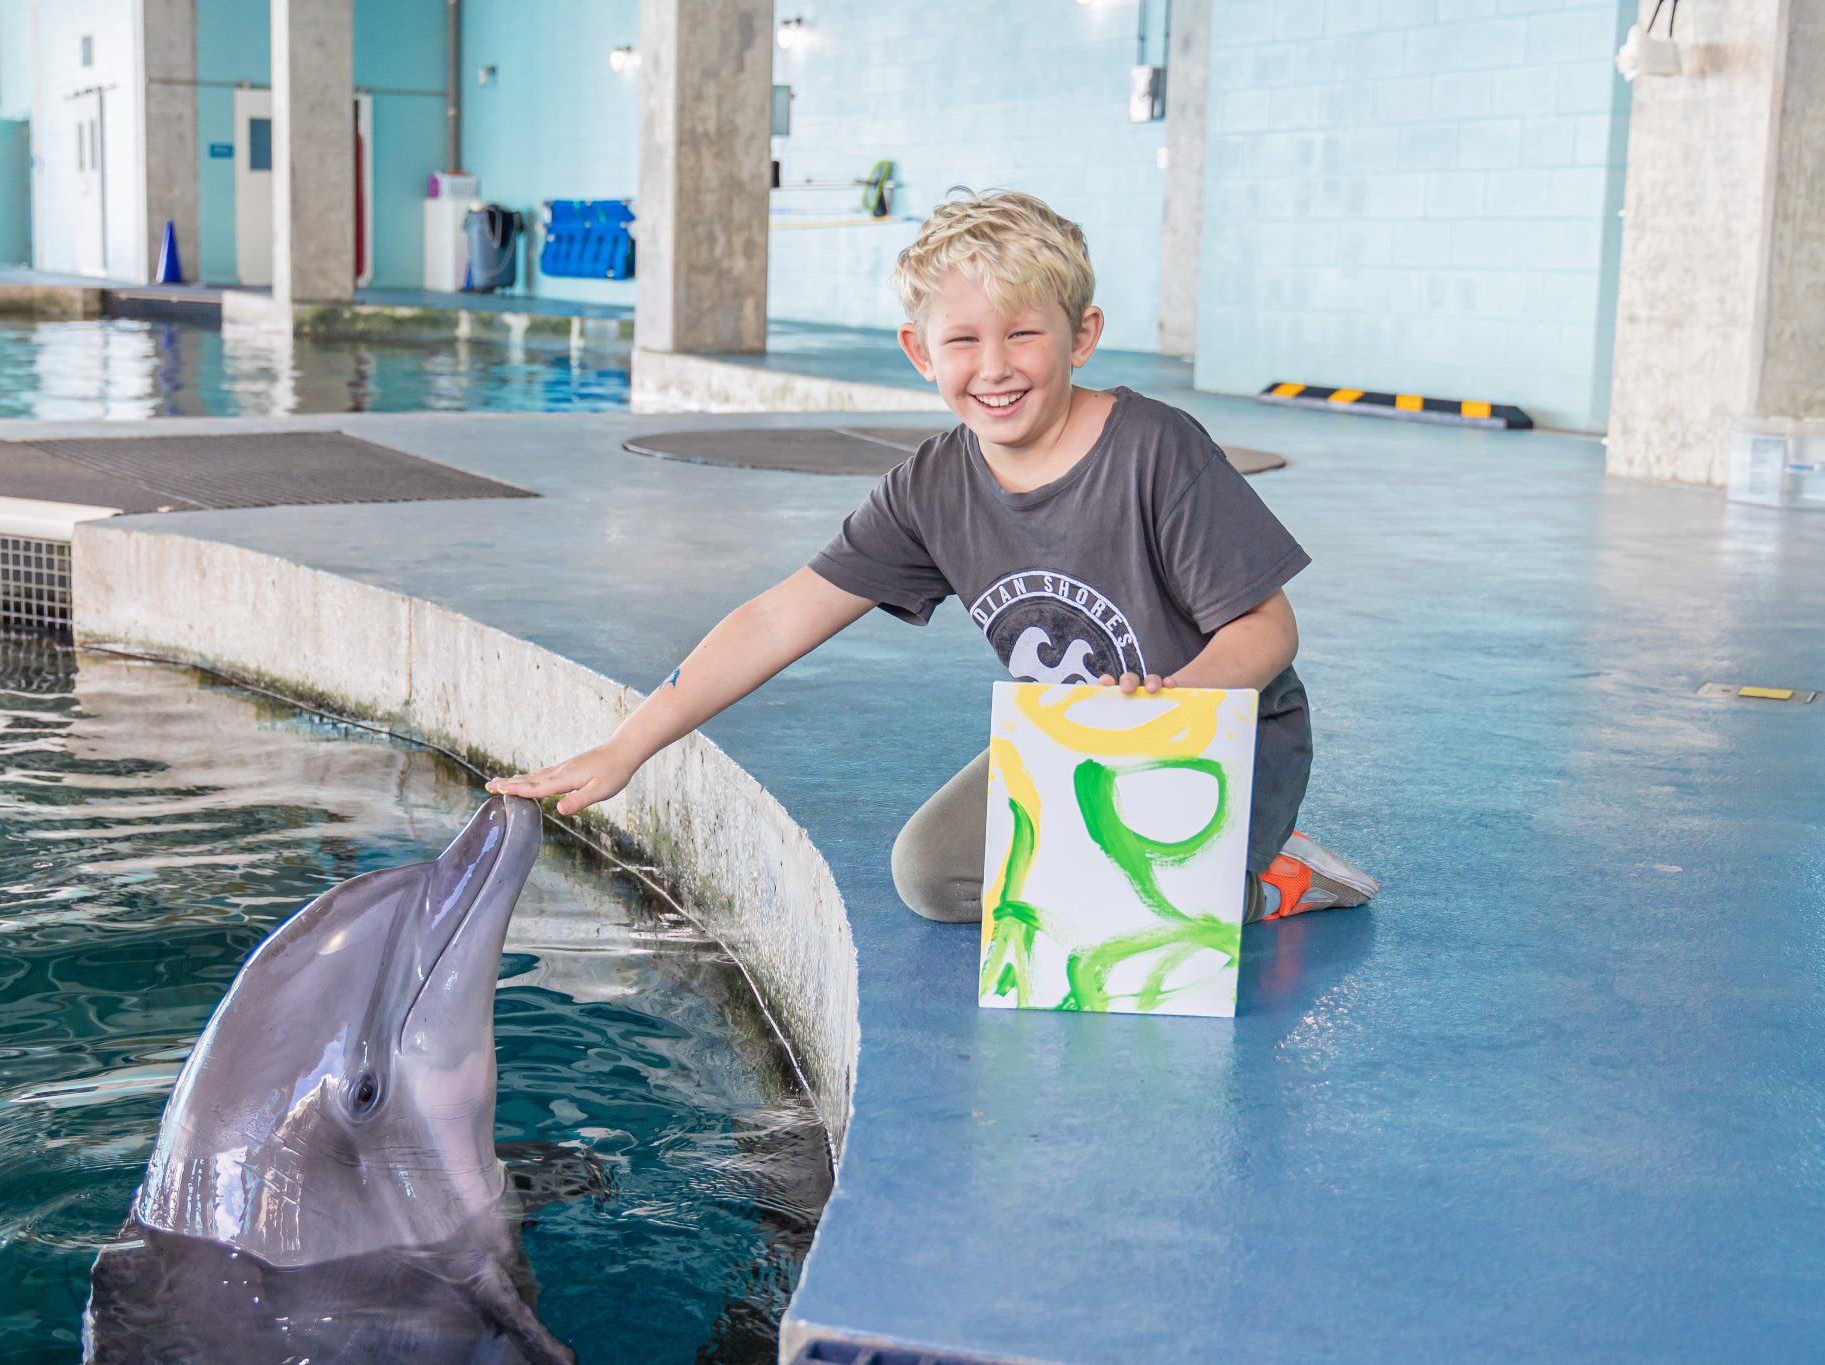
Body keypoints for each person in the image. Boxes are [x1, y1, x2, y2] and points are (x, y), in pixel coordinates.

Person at [490, 190, 1375, 924]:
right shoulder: (931, 488)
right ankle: (1211, 877)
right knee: (933, 876)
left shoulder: (1155, 450)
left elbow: (1268, 628)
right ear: (920, 352)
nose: (995, 367)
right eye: (962, 341)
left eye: (1024, 334)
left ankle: (1275, 874)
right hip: (1079, 745)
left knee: (1130, 906)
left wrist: (1172, 703)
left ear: (1083, 335)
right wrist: (627, 747)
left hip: (1225, 735)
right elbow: (776, 617)